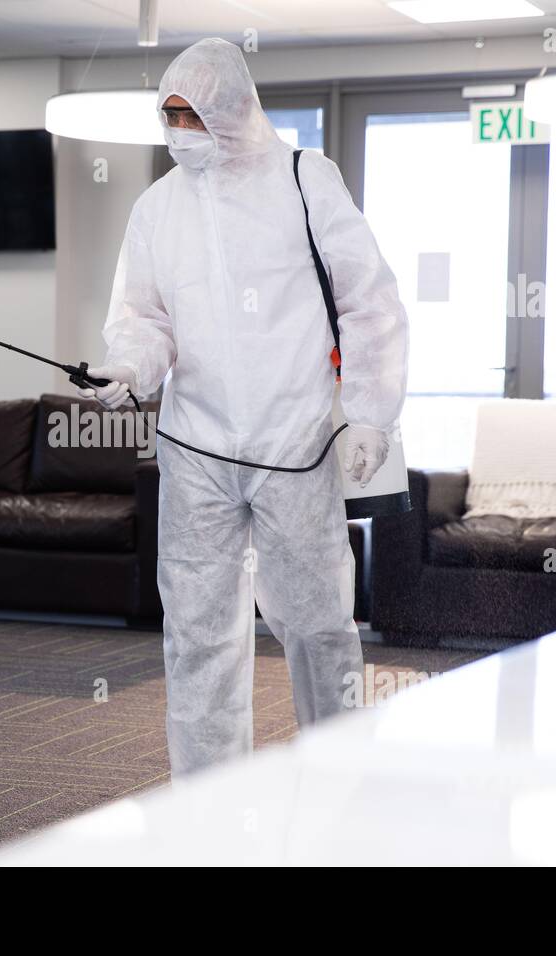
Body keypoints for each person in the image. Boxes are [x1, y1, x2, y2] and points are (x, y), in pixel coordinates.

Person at [76, 38, 409, 778]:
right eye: (167, 117)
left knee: (318, 625)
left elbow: (369, 304)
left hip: (294, 446)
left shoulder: (304, 180)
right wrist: (130, 367)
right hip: (195, 450)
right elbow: (143, 317)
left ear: (229, 108)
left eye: (189, 115)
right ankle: (208, 797)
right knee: (198, 634)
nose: (178, 132)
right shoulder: (156, 208)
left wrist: (368, 412)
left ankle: (340, 773)